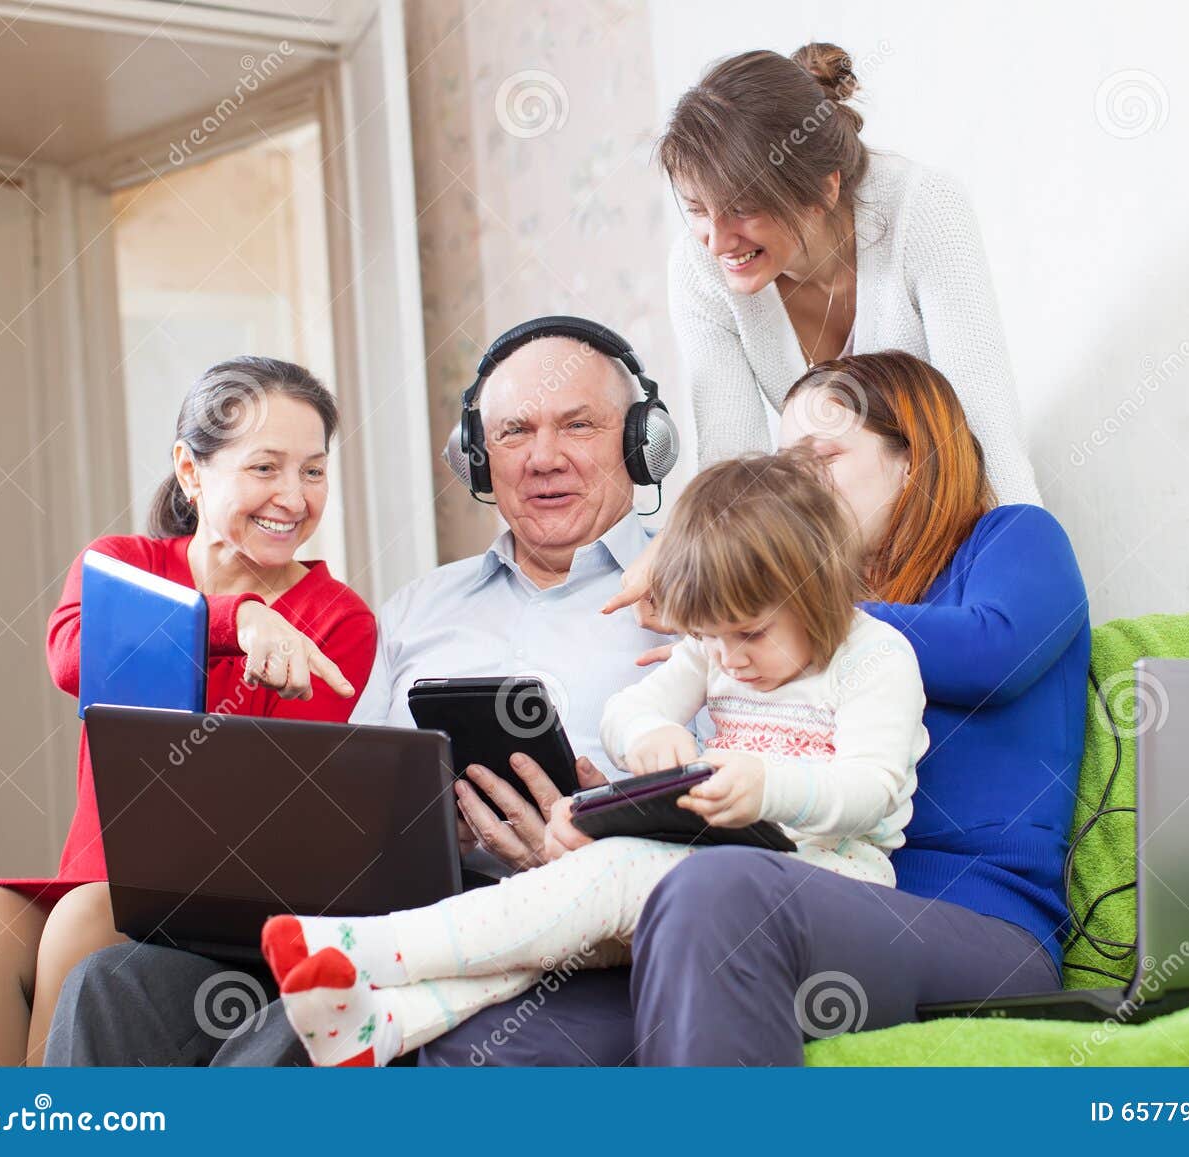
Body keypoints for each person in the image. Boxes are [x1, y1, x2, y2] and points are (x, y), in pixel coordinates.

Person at [428, 350, 1088, 1065]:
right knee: (493, 1043)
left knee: (718, 891)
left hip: (978, 926)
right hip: (790, 897)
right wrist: (623, 813)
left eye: (821, 456)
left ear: (913, 459)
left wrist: (787, 600)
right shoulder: (773, 637)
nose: (797, 484)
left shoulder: (1014, 539)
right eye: (787, 463)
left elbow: (1000, 648)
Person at [44, 322, 676, 1066]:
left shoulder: (698, 593)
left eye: (578, 425)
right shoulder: (417, 608)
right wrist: (427, 825)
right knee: (111, 986)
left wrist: (601, 831)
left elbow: (742, 795)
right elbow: (341, 790)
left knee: (298, 1035)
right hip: (405, 908)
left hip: (580, 921)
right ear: (476, 454)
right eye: (513, 431)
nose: (543, 457)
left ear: (641, 443)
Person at [258, 452, 928, 1066]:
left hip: (837, 883)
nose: (728, 658)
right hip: (721, 871)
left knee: (611, 872)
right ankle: (386, 1021)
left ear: (821, 589)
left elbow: (870, 788)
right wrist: (648, 737)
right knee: (562, 927)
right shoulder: (720, 643)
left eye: (750, 634)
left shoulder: (876, 656)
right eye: (710, 636)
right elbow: (627, 712)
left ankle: (366, 948)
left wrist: (764, 785)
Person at [0, 357, 376, 1066]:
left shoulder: (336, 618)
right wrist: (237, 618)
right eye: (266, 468)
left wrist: (253, 619)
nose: (294, 495)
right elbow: (76, 658)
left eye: (313, 471)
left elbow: (269, 792)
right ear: (191, 470)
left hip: (220, 900)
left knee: (87, 915)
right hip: (92, 879)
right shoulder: (119, 565)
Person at [660, 43, 1041, 505]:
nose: (717, 243)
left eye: (743, 209)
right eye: (698, 210)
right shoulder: (699, 268)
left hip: (948, 519)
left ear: (823, 189)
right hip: (833, 542)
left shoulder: (922, 209)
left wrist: (1018, 554)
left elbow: (988, 434)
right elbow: (733, 478)